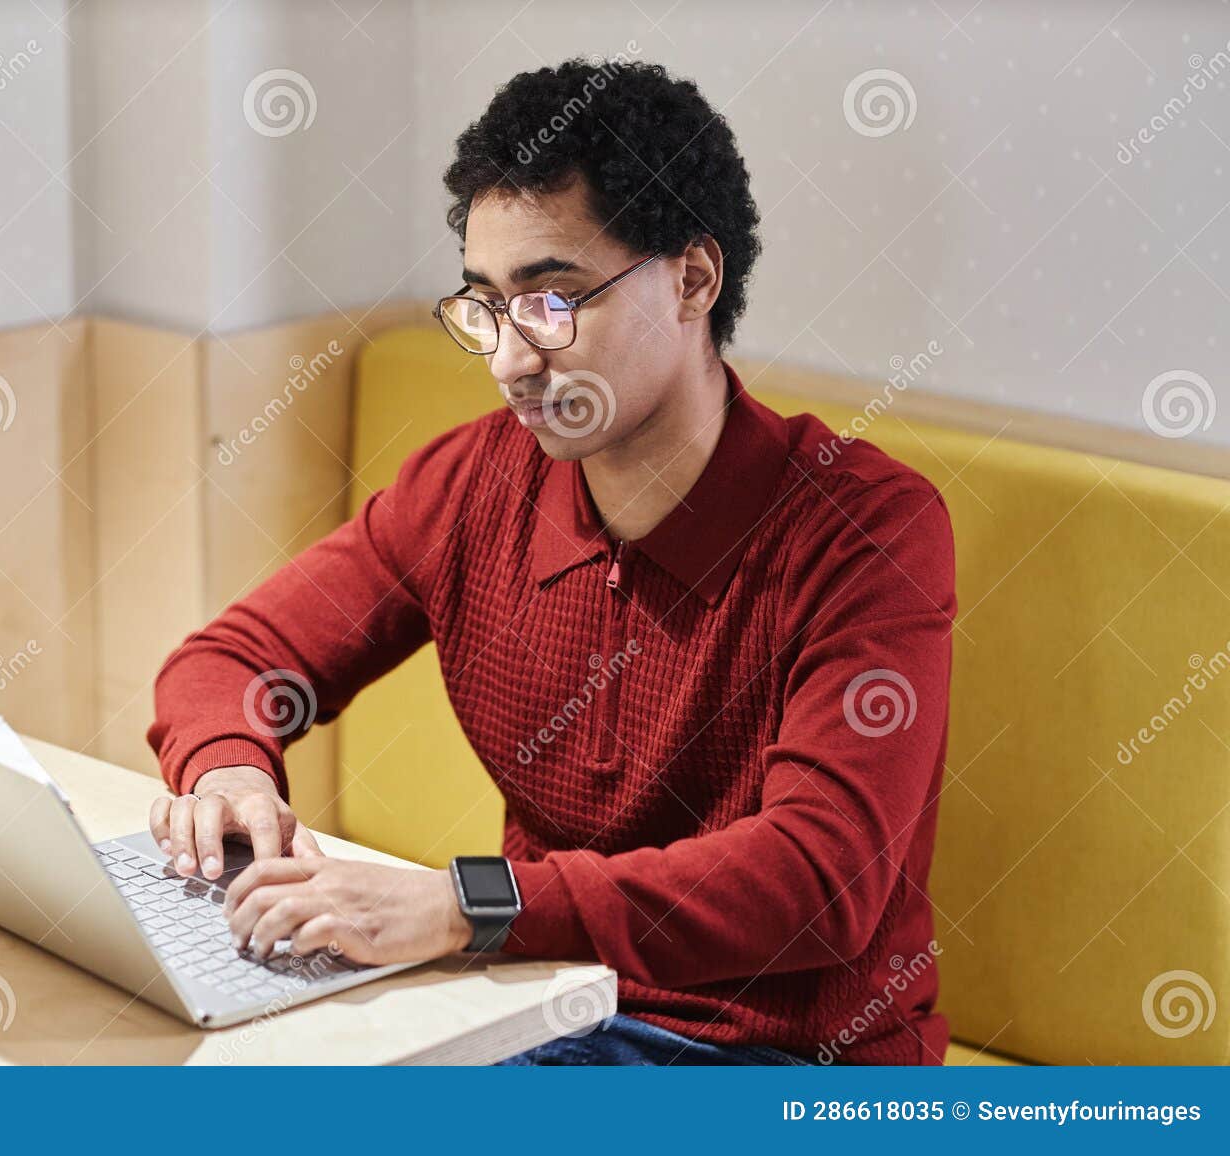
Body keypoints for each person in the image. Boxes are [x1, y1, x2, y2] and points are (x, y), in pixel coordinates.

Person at [146, 59, 955, 1065]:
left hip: (778, 1060)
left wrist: (463, 906)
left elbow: (819, 881)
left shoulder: (861, 528)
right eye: (487, 305)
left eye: (555, 298)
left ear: (693, 280)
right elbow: (233, 658)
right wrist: (230, 773)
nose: (510, 360)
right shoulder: (471, 484)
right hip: (536, 1010)